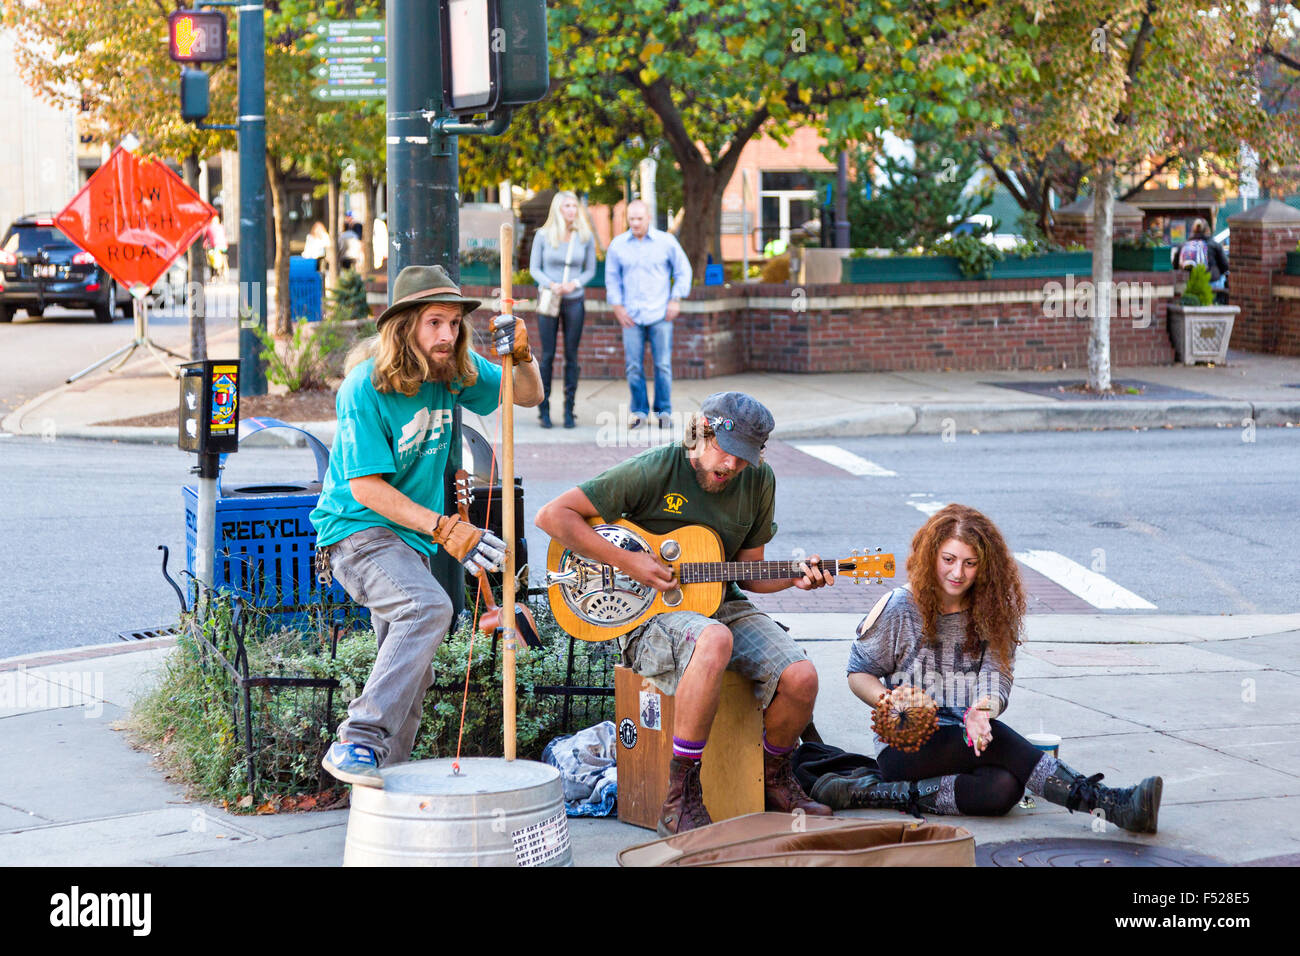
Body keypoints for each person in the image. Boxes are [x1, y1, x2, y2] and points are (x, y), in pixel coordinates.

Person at [535, 392, 834, 835]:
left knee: (801, 677)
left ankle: (775, 781)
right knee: (713, 639)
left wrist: (794, 577)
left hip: (721, 603)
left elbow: (749, 572)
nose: (732, 466)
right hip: (649, 617)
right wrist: (631, 561)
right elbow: (552, 516)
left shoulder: (758, 481)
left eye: (744, 458)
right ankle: (681, 796)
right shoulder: (658, 468)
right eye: (726, 452)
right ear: (703, 433)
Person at [310, 264, 544, 787]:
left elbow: (525, 395)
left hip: (408, 539)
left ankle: (382, 801)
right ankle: (359, 738)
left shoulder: (451, 369)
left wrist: (523, 356)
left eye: (455, 323)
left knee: (413, 677)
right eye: (434, 322)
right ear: (405, 327)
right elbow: (365, 488)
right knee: (429, 606)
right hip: (356, 533)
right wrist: (446, 530)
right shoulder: (363, 388)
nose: (447, 334)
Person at [817, 504, 1163, 833]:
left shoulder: (994, 611)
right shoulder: (899, 606)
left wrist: (981, 711)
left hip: (970, 735)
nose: (958, 573)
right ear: (931, 556)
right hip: (906, 745)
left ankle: (874, 793)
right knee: (1003, 744)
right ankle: (1109, 803)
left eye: (970, 563)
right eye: (949, 560)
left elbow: (996, 677)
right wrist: (888, 700)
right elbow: (858, 671)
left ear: (986, 565)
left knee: (1003, 789)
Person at [605, 199, 691, 430]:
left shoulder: (666, 242)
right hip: (631, 315)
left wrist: (676, 299)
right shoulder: (618, 245)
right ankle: (639, 412)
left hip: (660, 314)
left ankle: (664, 412)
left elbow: (684, 270)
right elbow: (612, 279)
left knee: (662, 365)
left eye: (639, 219)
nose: (635, 223)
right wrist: (618, 307)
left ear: (649, 218)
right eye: (631, 219)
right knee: (633, 366)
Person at [529, 190, 597, 429]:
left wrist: (574, 284)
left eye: (574, 206)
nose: (571, 210)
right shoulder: (543, 236)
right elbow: (534, 269)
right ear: (558, 209)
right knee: (547, 356)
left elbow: (590, 270)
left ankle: (569, 410)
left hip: (574, 300)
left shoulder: (585, 236)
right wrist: (552, 284)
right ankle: (543, 408)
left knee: (572, 356)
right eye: (567, 206)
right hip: (550, 298)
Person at [1176, 218, 1229, 290]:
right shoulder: (1214, 245)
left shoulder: (1183, 245)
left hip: (1190, 283)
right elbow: (1225, 266)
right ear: (1207, 230)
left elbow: (1175, 266)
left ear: (1192, 230)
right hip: (1212, 283)